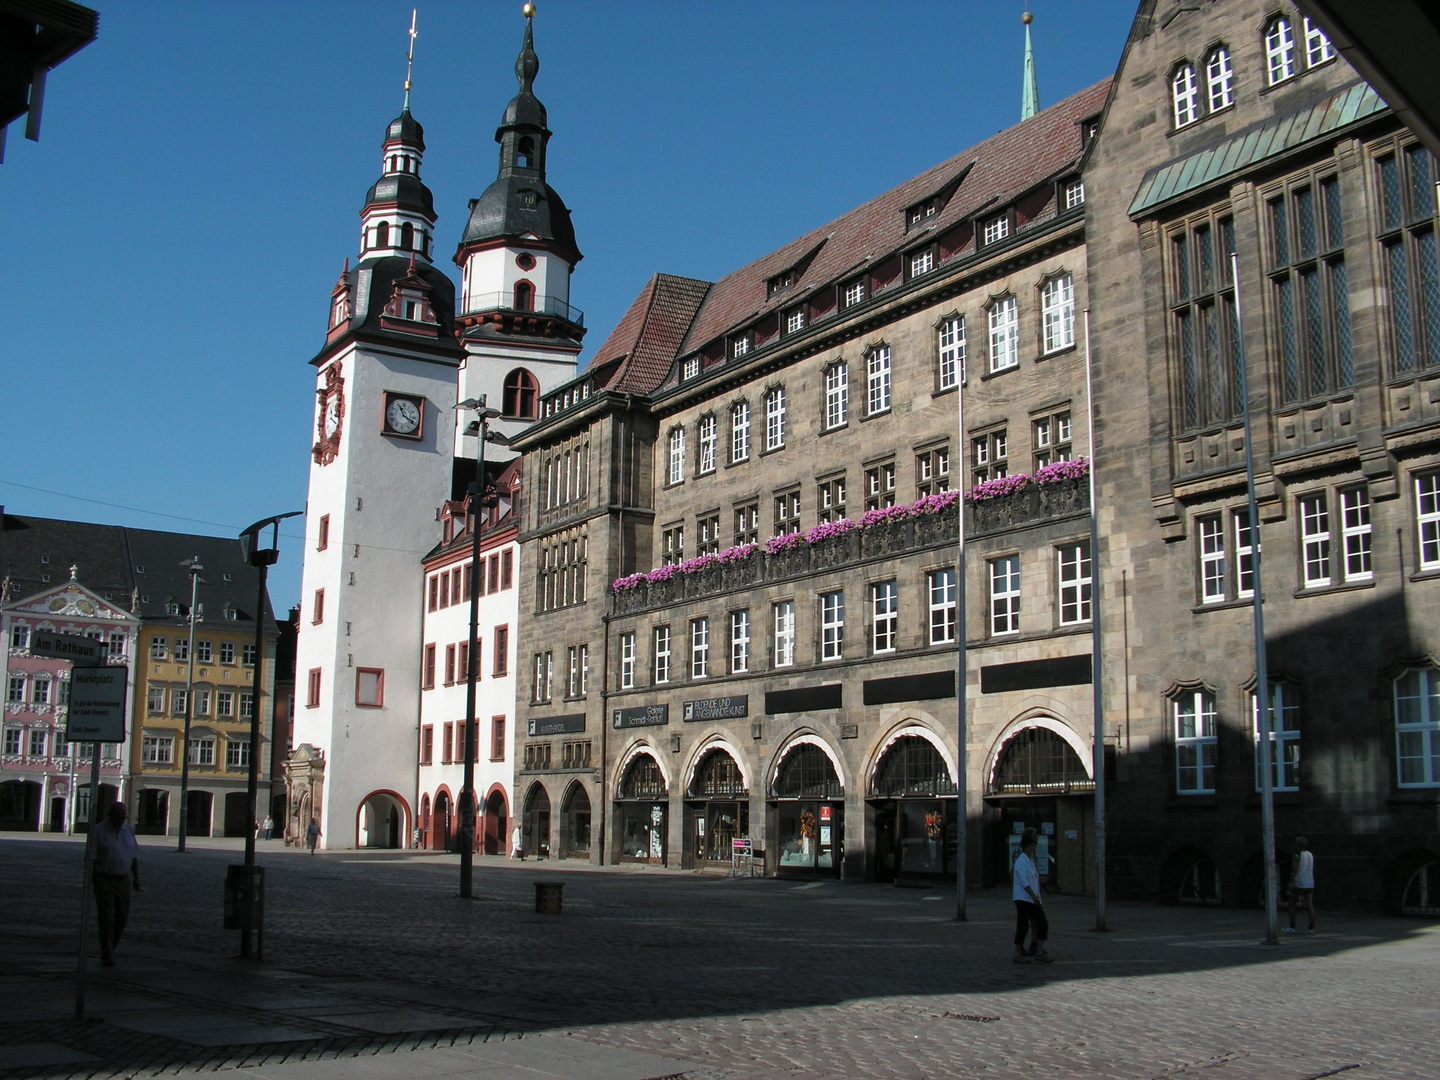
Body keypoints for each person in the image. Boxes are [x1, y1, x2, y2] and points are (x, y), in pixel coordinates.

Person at [91, 801, 141, 968]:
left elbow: (133, 855)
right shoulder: (98, 831)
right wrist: (93, 881)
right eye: (118, 818)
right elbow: (91, 859)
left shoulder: (127, 830)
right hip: (104, 879)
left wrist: (137, 879)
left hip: (124, 879)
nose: (121, 821)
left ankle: (111, 947)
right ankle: (107, 952)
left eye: (123, 817)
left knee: (122, 916)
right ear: (110, 816)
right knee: (106, 917)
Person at [1012, 828, 1052, 963]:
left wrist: (1042, 887)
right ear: (1026, 846)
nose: (1034, 847)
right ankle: (1018, 953)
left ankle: (1039, 951)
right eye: (1032, 845)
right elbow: (1024, 881)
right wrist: (1034, 896)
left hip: (1034, 898)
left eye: (1034, 845)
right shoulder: (1021, 861)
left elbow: (1034, 877)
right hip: (1023, 898)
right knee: (1023, 925)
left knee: (1042, 923)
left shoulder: (1031, 860)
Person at [1285, 836, 1316, 935]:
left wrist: (1291, 882)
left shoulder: (1297, 855)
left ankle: (1292, 926)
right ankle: (1311, 927)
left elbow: (1295, 869)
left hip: (1299, 882)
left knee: (1292, 903)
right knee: (1309, 905)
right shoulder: (1310, 854)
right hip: (1309, 882)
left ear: (1298, 845)